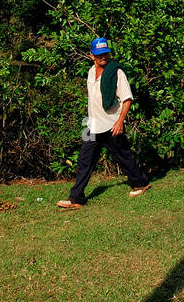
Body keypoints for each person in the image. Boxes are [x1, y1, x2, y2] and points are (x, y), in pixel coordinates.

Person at [57, 37, 151, 209]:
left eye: (106, 54)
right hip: (92, 124)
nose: (103, 57)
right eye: (99, 55)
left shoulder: (116, 72)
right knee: (84, 160)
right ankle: (76, 198)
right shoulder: (91, 72)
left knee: (123, 157)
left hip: (111, 124)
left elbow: (127, 99)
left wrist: (120, 122)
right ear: (92, 55)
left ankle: (141, 183)